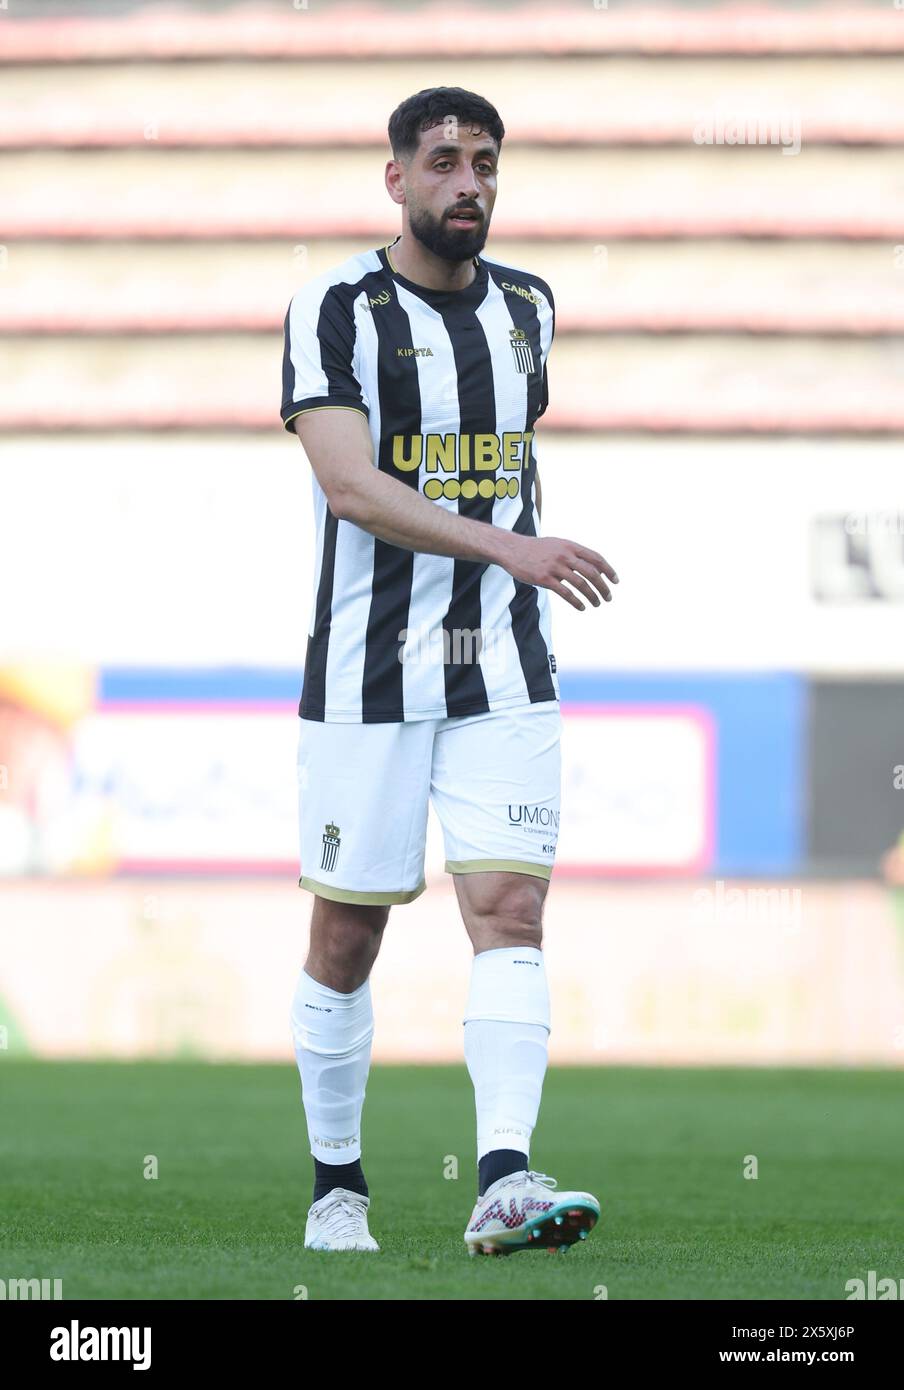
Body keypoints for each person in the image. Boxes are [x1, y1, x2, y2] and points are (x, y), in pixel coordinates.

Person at [280, 87, 617, 1256]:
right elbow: (351, 486)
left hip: (502, 661)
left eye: (484, 162)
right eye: (442, 162)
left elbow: (501, 452)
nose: (467, 182)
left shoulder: (529, 307)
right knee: (346, 934)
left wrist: (507, 568)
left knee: (512, 907)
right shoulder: (334, 306)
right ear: (397, 180)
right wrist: (509, 545)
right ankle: (338, 1187)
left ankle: (505, 1177)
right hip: (369, 666)